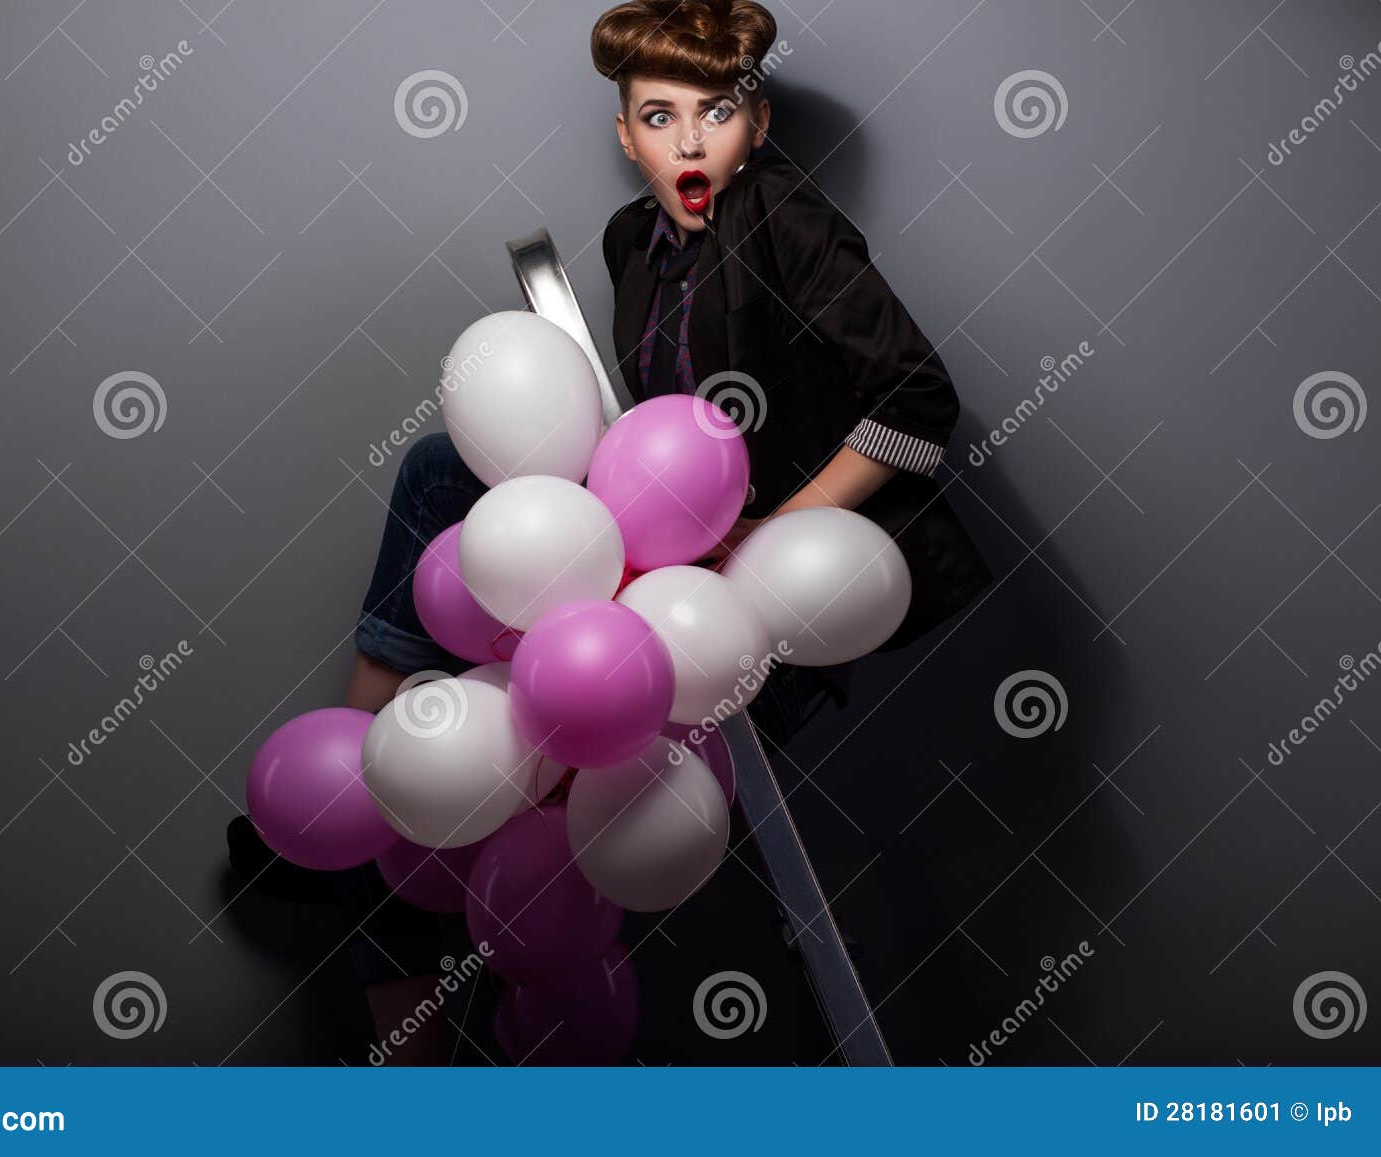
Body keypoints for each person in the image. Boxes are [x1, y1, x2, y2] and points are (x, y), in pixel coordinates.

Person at [226, 0, 993, 1064]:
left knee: (540, 791)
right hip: (664, 554)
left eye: (714, 115)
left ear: (756, 127)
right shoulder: (633, 239)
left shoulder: (790, 222)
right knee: (436, 467)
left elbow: (917, 410)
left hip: (767, 594)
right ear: (625, 135)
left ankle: (419, 926)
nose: (689, 141)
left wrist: (769, 531)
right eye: (659, 116)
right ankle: (364, 768)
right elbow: (647, 438)